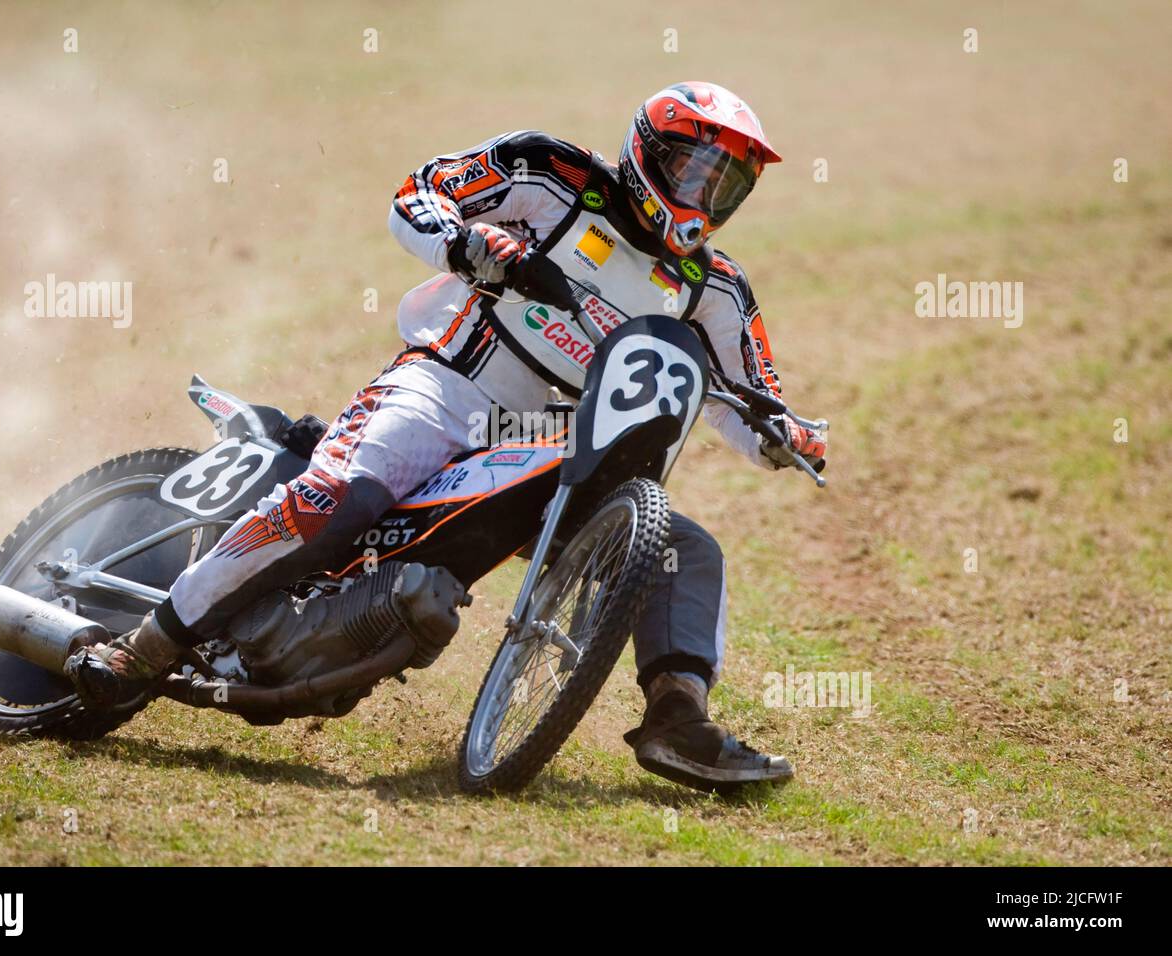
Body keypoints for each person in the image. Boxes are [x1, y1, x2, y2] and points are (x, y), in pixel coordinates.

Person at [67, 81, 826, 791]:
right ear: (648, 154)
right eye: (696, 172)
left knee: (686, 550)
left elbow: (747, 395)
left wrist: (786, 436)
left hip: (558, 440)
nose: (706, 197)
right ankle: (143, 648)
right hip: (447, 386)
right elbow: (418, 194)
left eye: (727, 184)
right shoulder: (548, 171)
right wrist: (465, 244)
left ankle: (677, 720)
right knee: (339, 496)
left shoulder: (716, 286)